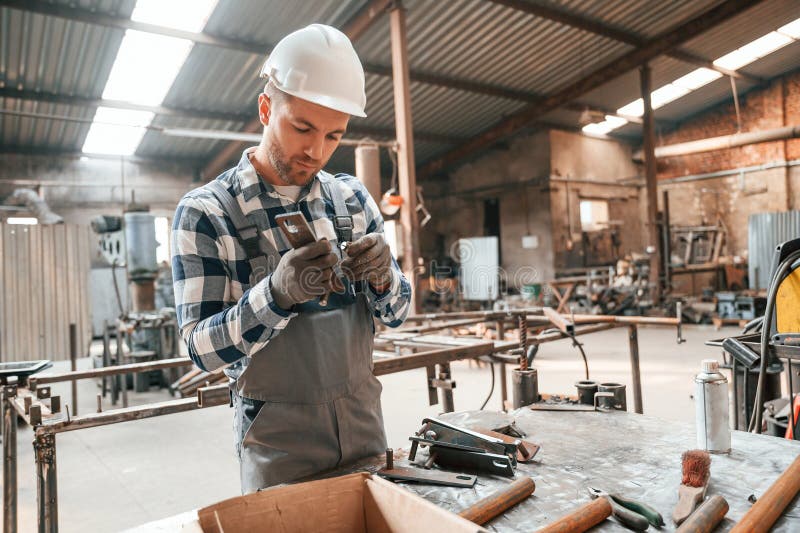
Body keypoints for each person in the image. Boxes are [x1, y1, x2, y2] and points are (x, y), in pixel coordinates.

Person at [171, 24, 411, 493]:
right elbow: (201, 350)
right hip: (278, 449)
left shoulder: (352, 201)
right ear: (266, 109)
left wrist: (385, 279)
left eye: (333, 136)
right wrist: (276, 296)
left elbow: (398, 313)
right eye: (301, 128)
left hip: (364, 429)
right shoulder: (208, 213)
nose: (315, 151)